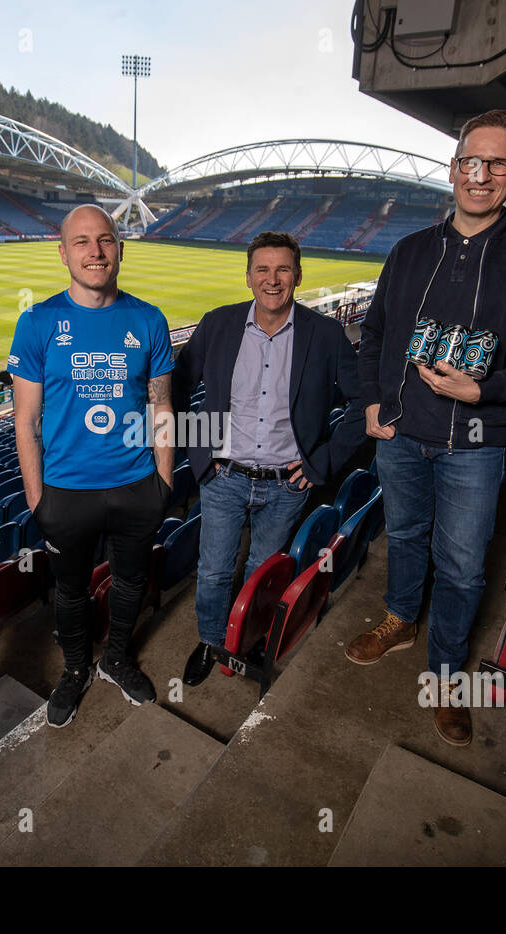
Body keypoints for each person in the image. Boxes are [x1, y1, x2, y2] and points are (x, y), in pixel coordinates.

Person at [345, 109, 506, 747]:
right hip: (402, 436)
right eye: (470, 162)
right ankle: (399, 619)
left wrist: (487, 388)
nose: (481, 175)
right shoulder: (410, 249)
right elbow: (377, 337)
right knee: (406, 536)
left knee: (466, 565)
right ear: (452, 169)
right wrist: (372, 402)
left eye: (497, 164)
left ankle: (446, 678)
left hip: (477, 445)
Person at [173, 231, 367, 685]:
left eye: (283, 269)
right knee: (215, 572)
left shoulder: (326, 334)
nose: (272, 279)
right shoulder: (218, 324)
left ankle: (246, 641)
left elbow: (363, 406)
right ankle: (211, 641)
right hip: (223, 477)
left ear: (298, 275)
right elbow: (174, 390)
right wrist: (200, 452)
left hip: (287, 486)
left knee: (262, 574)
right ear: (248, 277)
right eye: (262, 269)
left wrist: (321, 463)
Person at [8, 204, 174, 727]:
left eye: (105, 240)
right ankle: (76, 668)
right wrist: (38, 500)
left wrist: (163, 481)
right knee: (71, 591)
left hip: (136, 485)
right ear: (63, 253)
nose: (95, 251)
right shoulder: (36, 322)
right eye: (82, 242)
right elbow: (25, 420)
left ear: (119, 248)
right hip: (66, 494)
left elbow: (162, 405)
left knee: (130, 582)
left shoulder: (148, 319)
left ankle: (117, 658)